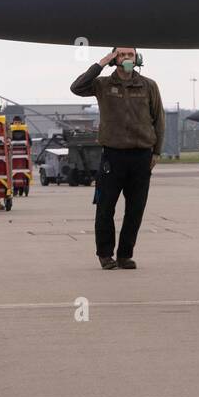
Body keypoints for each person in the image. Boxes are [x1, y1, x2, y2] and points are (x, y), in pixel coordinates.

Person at [70, 46, 165, 270]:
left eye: (130, 55)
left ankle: (125, 255)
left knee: (135, 209)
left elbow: (158, 119)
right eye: (121, 55)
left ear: (137, 58)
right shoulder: (103, 85)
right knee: (105, 207)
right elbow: (76, 87)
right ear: (115, 58)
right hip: (113, 156)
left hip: (141, 155)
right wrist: (101, 63)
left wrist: (157, 151)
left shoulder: (148, 85)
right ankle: (105, 254)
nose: (126, 58)